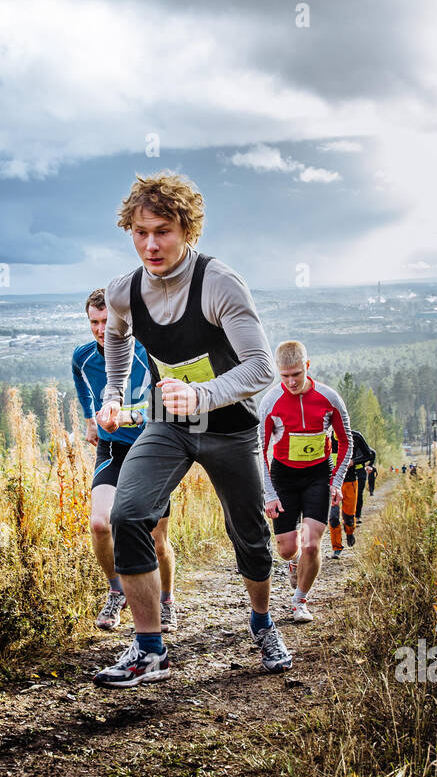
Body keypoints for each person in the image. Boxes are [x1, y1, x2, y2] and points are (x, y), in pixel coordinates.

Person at [92, 171, 289, 687]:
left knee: (249, 534)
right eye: (140, 232)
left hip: (230, 428)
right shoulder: (125, 291)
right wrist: (114, 392)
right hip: (170, 424)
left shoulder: (218, 283)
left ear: (187, 230)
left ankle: (263, 623)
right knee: (128, 514)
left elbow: (261, 367)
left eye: (163, 231)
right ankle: (149, 648)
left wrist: (202, 394)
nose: (151, 245)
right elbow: (116, 334)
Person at [71, 289, 176, 633]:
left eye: (107, 322)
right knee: (101, 524)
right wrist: (91, 420)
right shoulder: (83, 357)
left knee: (156, 541)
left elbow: (165, 407)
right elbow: (83, 386)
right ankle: (116, 591)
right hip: (113, 450)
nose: (101, 330)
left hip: (153, 449)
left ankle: (167, 600)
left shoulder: (148, 354)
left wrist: (124, 416)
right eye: (94, 322)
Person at [257, 341, 352, 622]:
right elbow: (260, 450)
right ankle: (295, 562)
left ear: (307, 367)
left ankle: (300, 600)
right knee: (288, 550)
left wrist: (336, 482)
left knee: (312, 543)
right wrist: (269, 494)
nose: (290, 382)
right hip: (284, 476)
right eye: (284, 376)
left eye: (296, 374)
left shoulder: (329, 398)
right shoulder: (270, 402)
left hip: (318, 475)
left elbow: (345, 442)